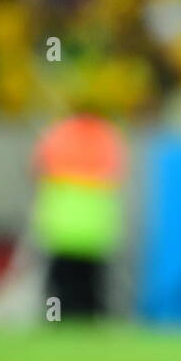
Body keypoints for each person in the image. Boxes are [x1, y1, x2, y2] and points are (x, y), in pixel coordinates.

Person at [32, 106, 127, 319]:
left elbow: (38, 168)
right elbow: (117, 173)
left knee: (59, 286)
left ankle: (53, 319)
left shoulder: (59, 134)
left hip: (62, 227)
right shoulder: (107, 136)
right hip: (95, 229)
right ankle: (93, 328)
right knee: (92, 288)